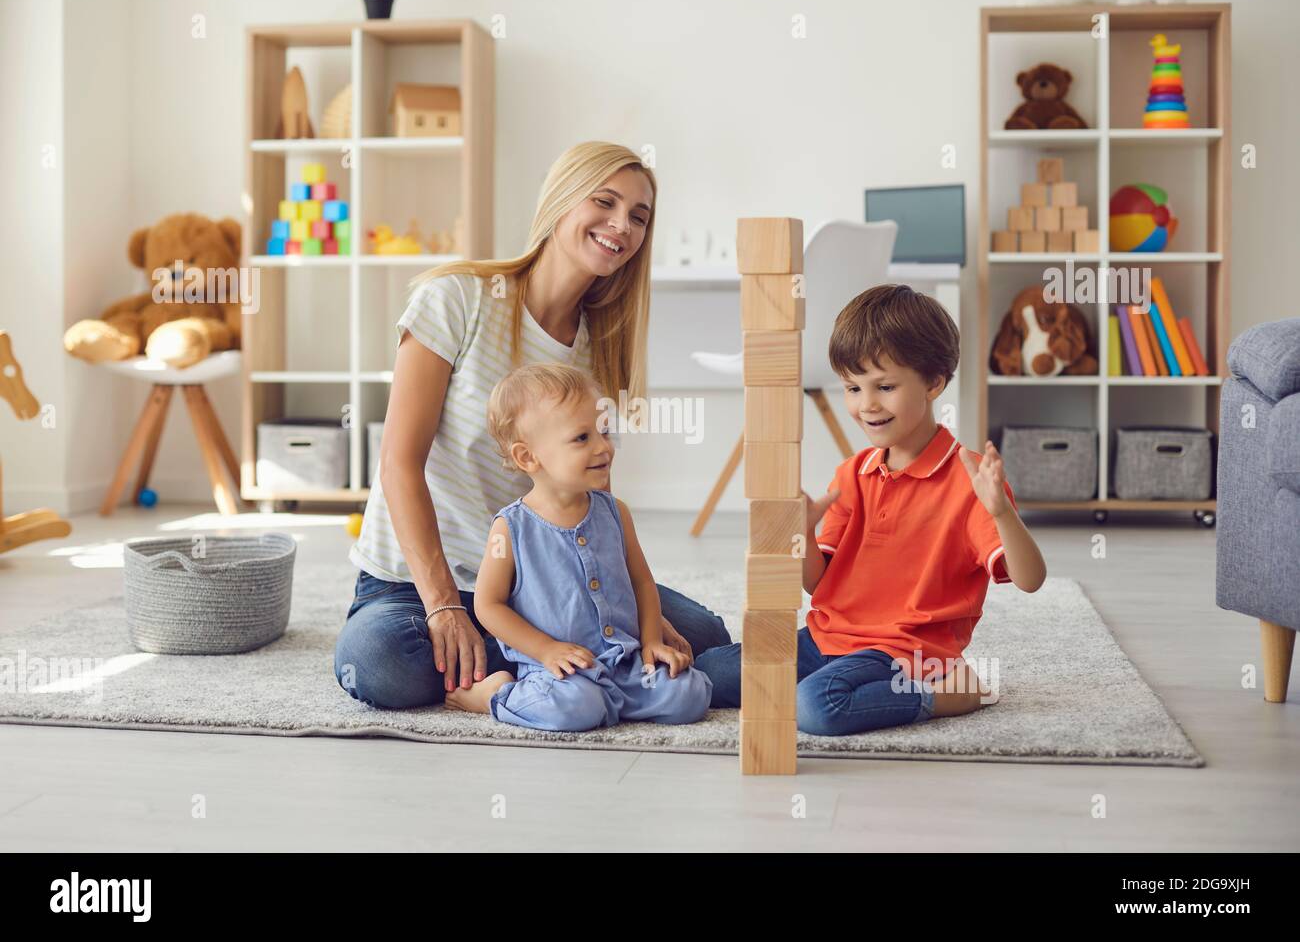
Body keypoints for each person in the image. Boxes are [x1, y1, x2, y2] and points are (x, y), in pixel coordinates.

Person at [335, 142, 730, 710]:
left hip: (545, 589)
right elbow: (398, 462)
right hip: (416, 585)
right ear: (562, 200)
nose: (622, 225)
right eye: (606, 202)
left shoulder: (599, 349)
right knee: (379, 662)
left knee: (702, 637)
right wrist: (445, 605)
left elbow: (590, 488)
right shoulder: (457, 299)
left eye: (639, 216)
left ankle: (531, 673)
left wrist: (637, 618)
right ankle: (530, 677)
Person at [694, 284, 1048, 735]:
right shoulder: (851, 474)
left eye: (885, 386)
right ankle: (812, 677)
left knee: (817, 708)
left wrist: (1001, 513)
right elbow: (816, 583)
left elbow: (1031, 580)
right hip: (828, 637)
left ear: (934, 382)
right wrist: (800, 533)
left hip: (905, 651)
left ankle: (952, 692)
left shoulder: (970, 478)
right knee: (710, 672)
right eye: (852, 388)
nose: (867, 406)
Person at [444, 363, 712, 730]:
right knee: (577, 708)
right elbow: (488, 606)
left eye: (604, 431)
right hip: (563, 674)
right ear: (528, 457)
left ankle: (616, 700)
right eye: (582, 438)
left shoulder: (616, 513)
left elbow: (642, 584)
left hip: (625, 664)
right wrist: (545, 650)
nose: (604, 447)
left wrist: (651, 641)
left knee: (689, 695)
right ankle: (496, 693)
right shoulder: (510, 528)